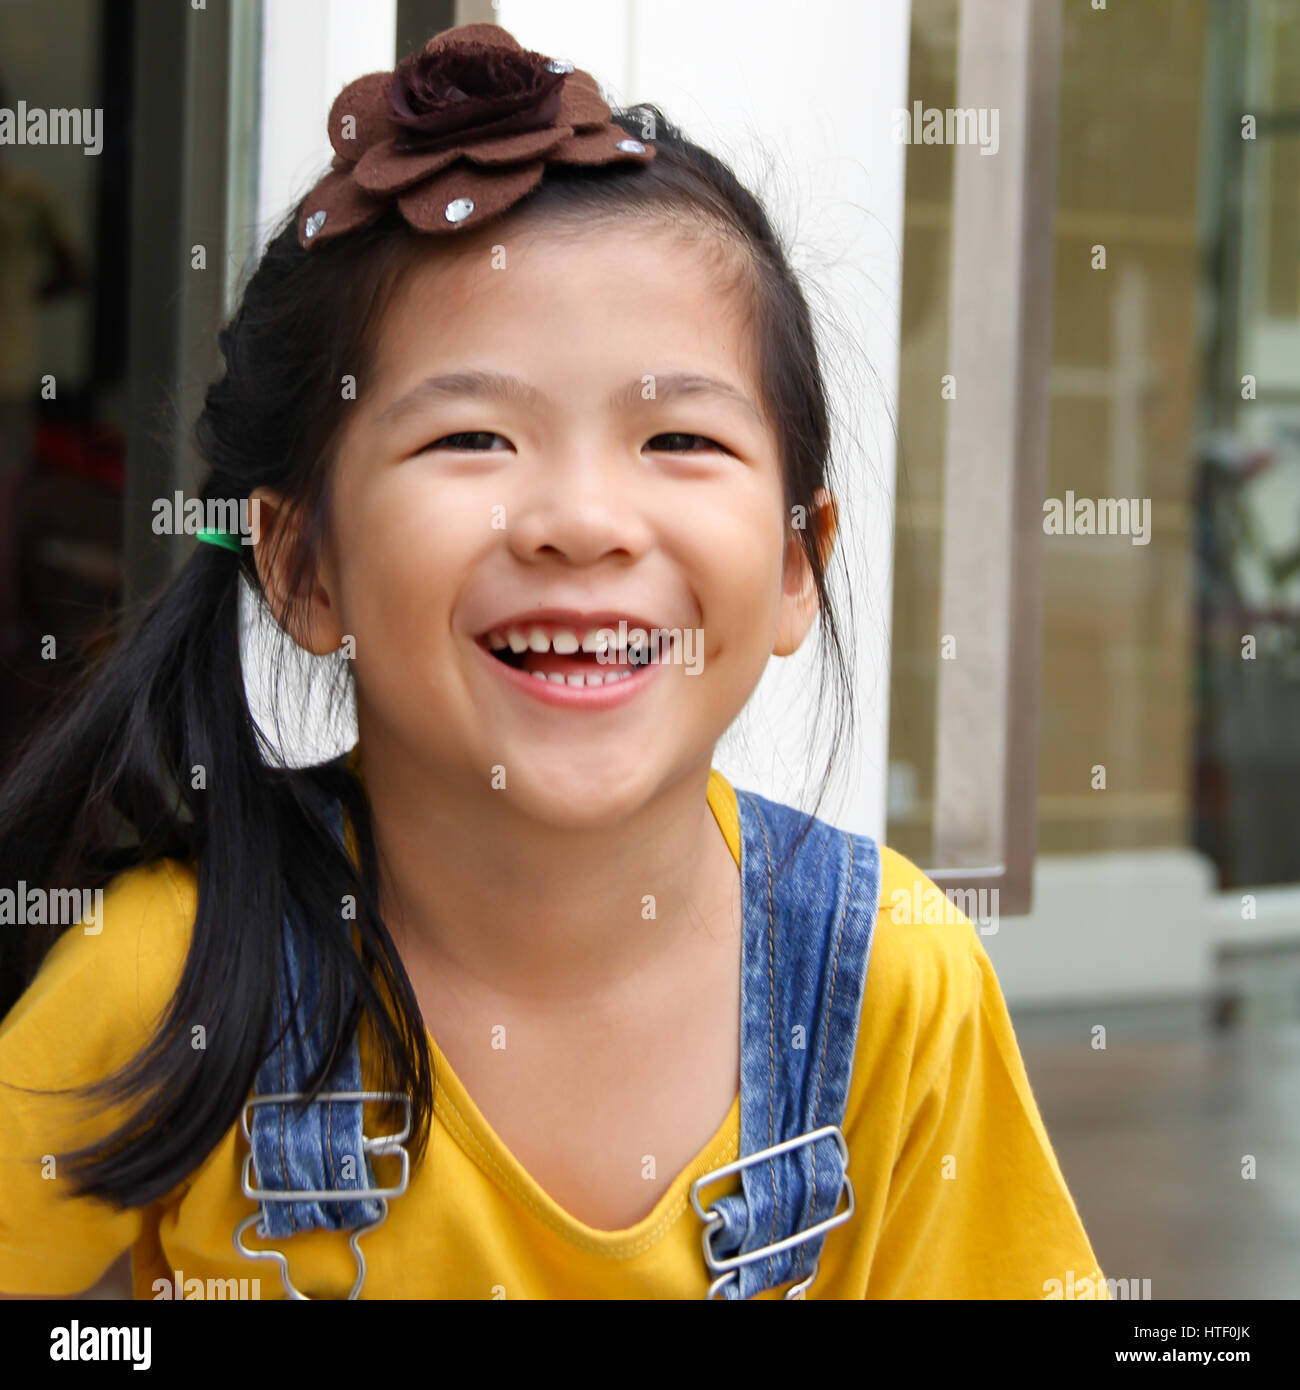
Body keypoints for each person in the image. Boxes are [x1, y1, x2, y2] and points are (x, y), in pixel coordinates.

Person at [0, 23, 1107, 1300]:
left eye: (679, 438)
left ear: (800, 560)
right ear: (304, 567)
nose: (581, 520)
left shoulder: (894, 981)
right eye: (472, 435)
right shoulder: (168, 977)